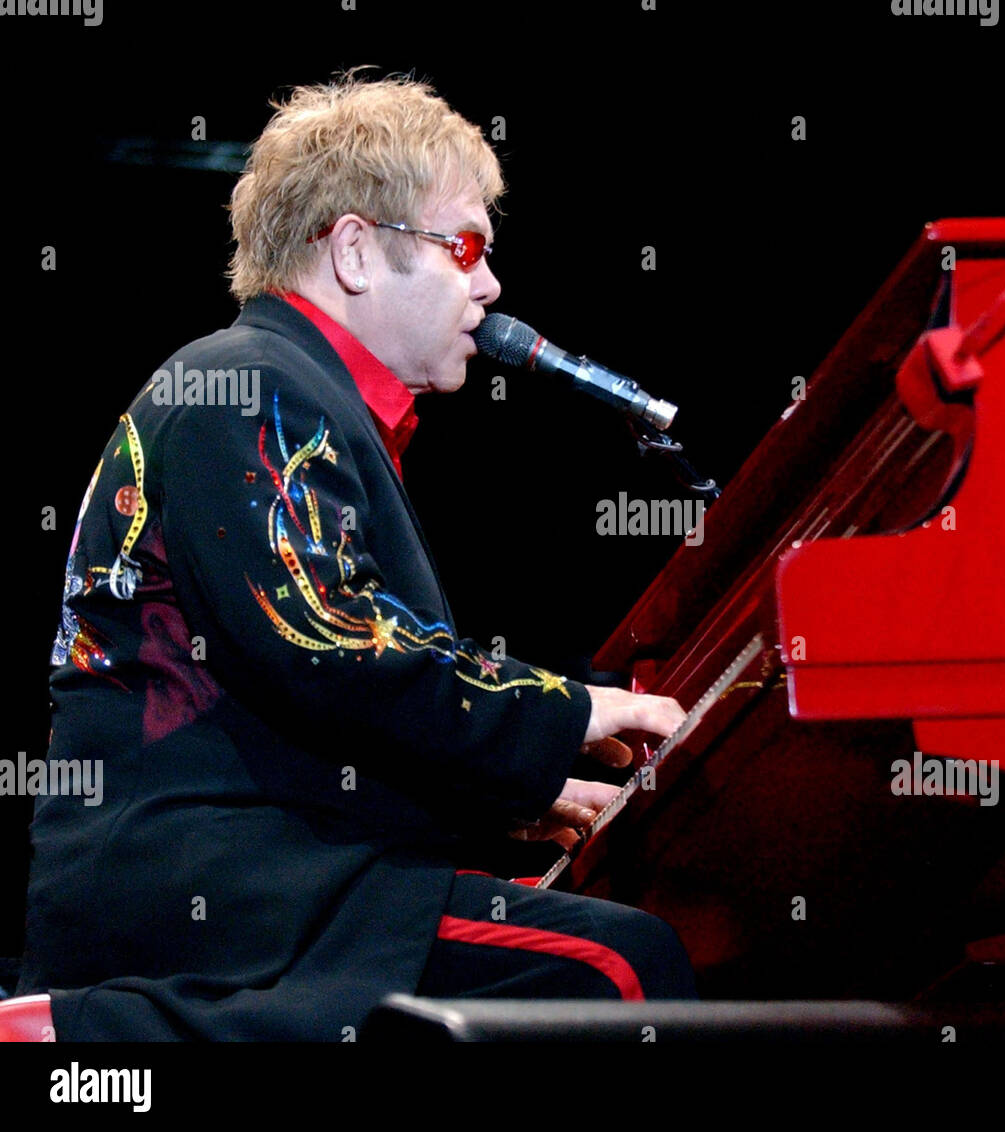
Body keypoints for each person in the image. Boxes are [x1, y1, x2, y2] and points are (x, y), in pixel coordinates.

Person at [16, 72, 697, 1040]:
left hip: (262, 886)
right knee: (624, 963)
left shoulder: (290, 393)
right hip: (215, 911)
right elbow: (337, 650)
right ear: (352, 251)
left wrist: (504, 798)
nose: (492, 284)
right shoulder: (247, 384)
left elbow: (287, 713)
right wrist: (574, 707)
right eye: (465, 247)